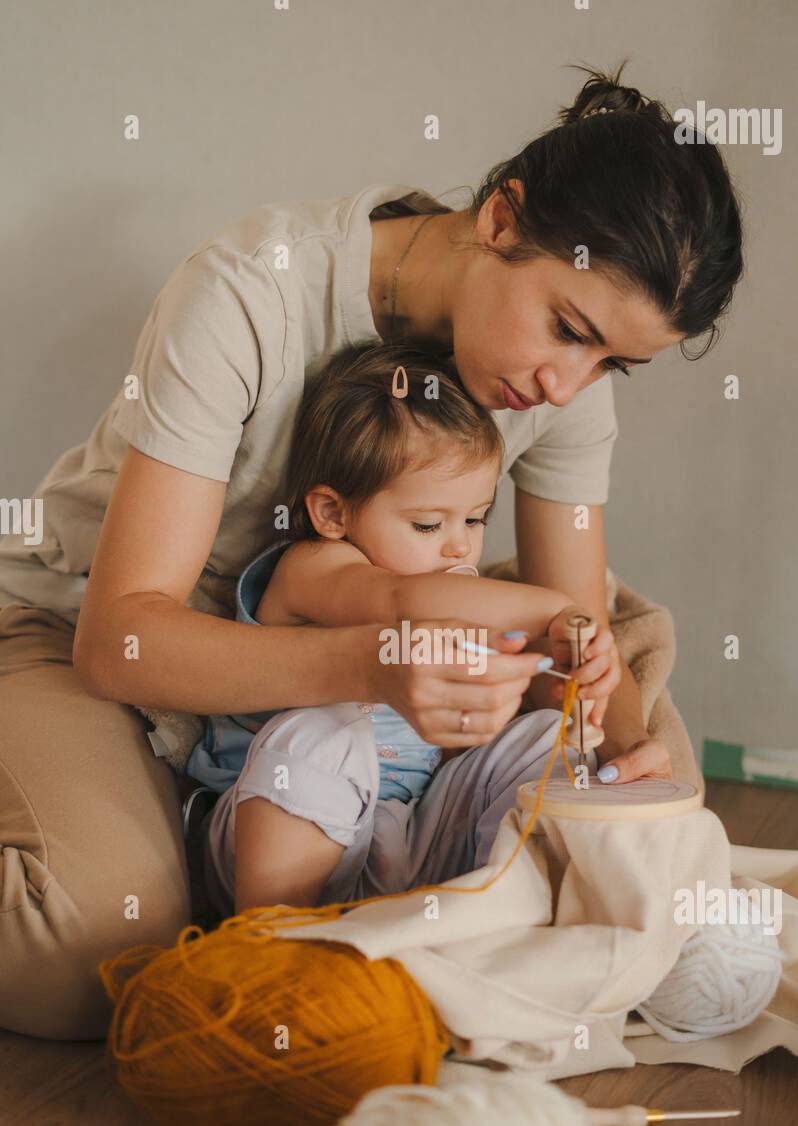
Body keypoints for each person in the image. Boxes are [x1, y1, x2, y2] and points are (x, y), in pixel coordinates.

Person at [0, 63, 744, 1039]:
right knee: (88, 952)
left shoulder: (558, 389)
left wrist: (611, 722)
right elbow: (121, 641)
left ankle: (320, 883)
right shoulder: (247, 295)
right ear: (499, 220)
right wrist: (369, 662)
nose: (568, 385)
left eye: (611, 363)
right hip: (97, 633)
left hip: (364, 668)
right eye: (568, 330)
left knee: (639, 791)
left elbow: (574, 615)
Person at [199, 340, 605, 918]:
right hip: (274, 840)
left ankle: (504, 915)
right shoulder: (315, 567)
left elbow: (457, 742)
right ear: (334, 514)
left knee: (543, 739)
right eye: (426, 523)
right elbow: (396, 600)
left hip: (408, 838)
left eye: (475, 517)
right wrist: (551, 611)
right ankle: (268, 946)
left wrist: (562, 670)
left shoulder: (454, 596)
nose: (460, 544)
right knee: (326, 734)